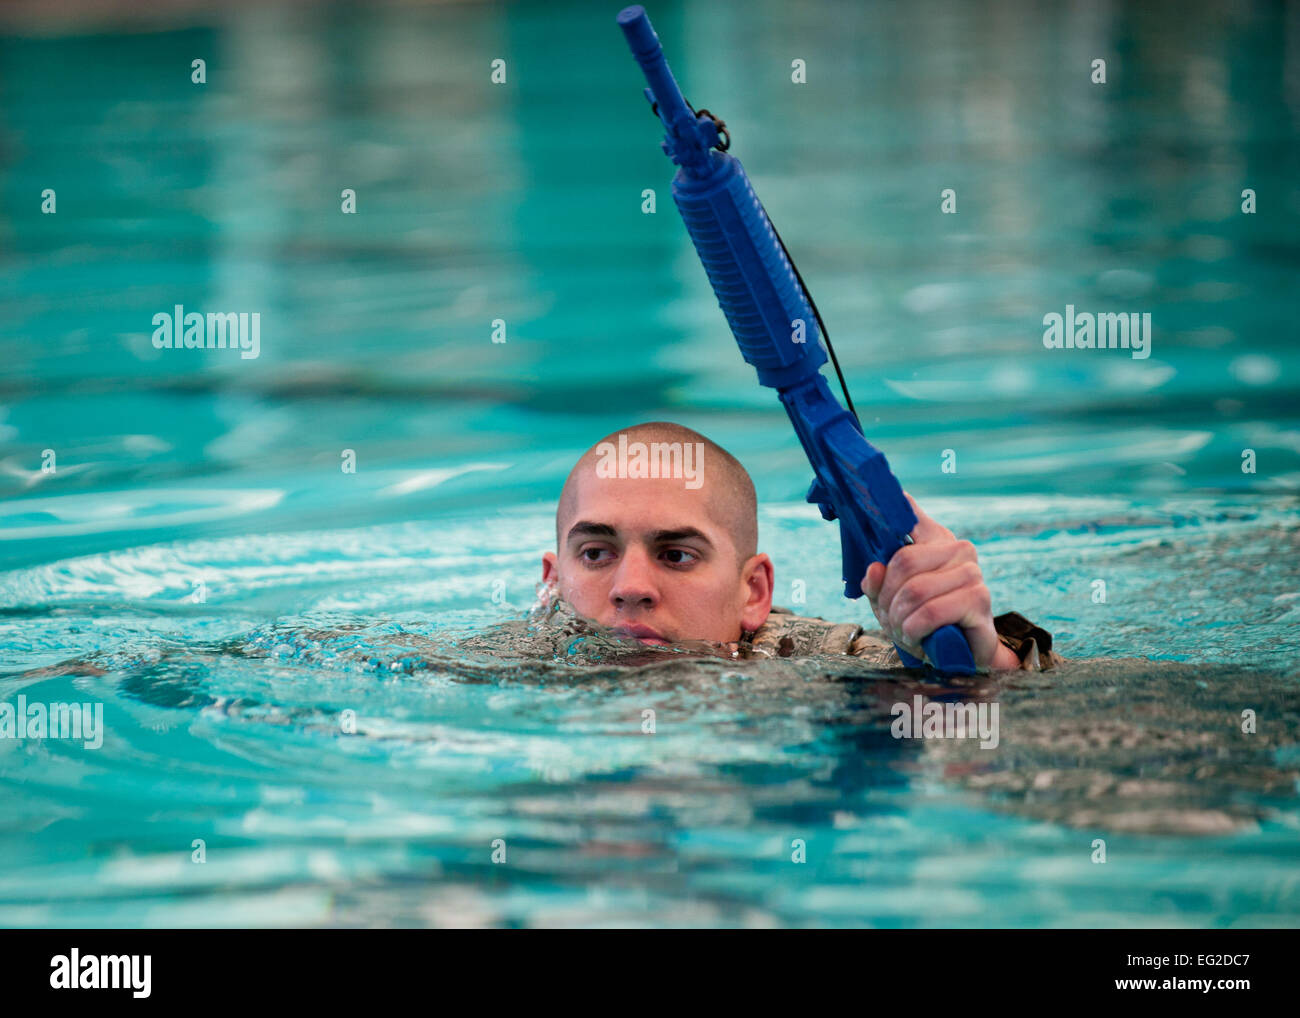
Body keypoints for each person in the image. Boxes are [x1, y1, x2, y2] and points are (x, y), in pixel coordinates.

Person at [540, 421, 1059, 670]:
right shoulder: (492, 666)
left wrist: (986, 662)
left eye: (676, 555)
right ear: (551, 582)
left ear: (753, 593)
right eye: (595, 554)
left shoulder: (809, 659)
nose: (631, 589)